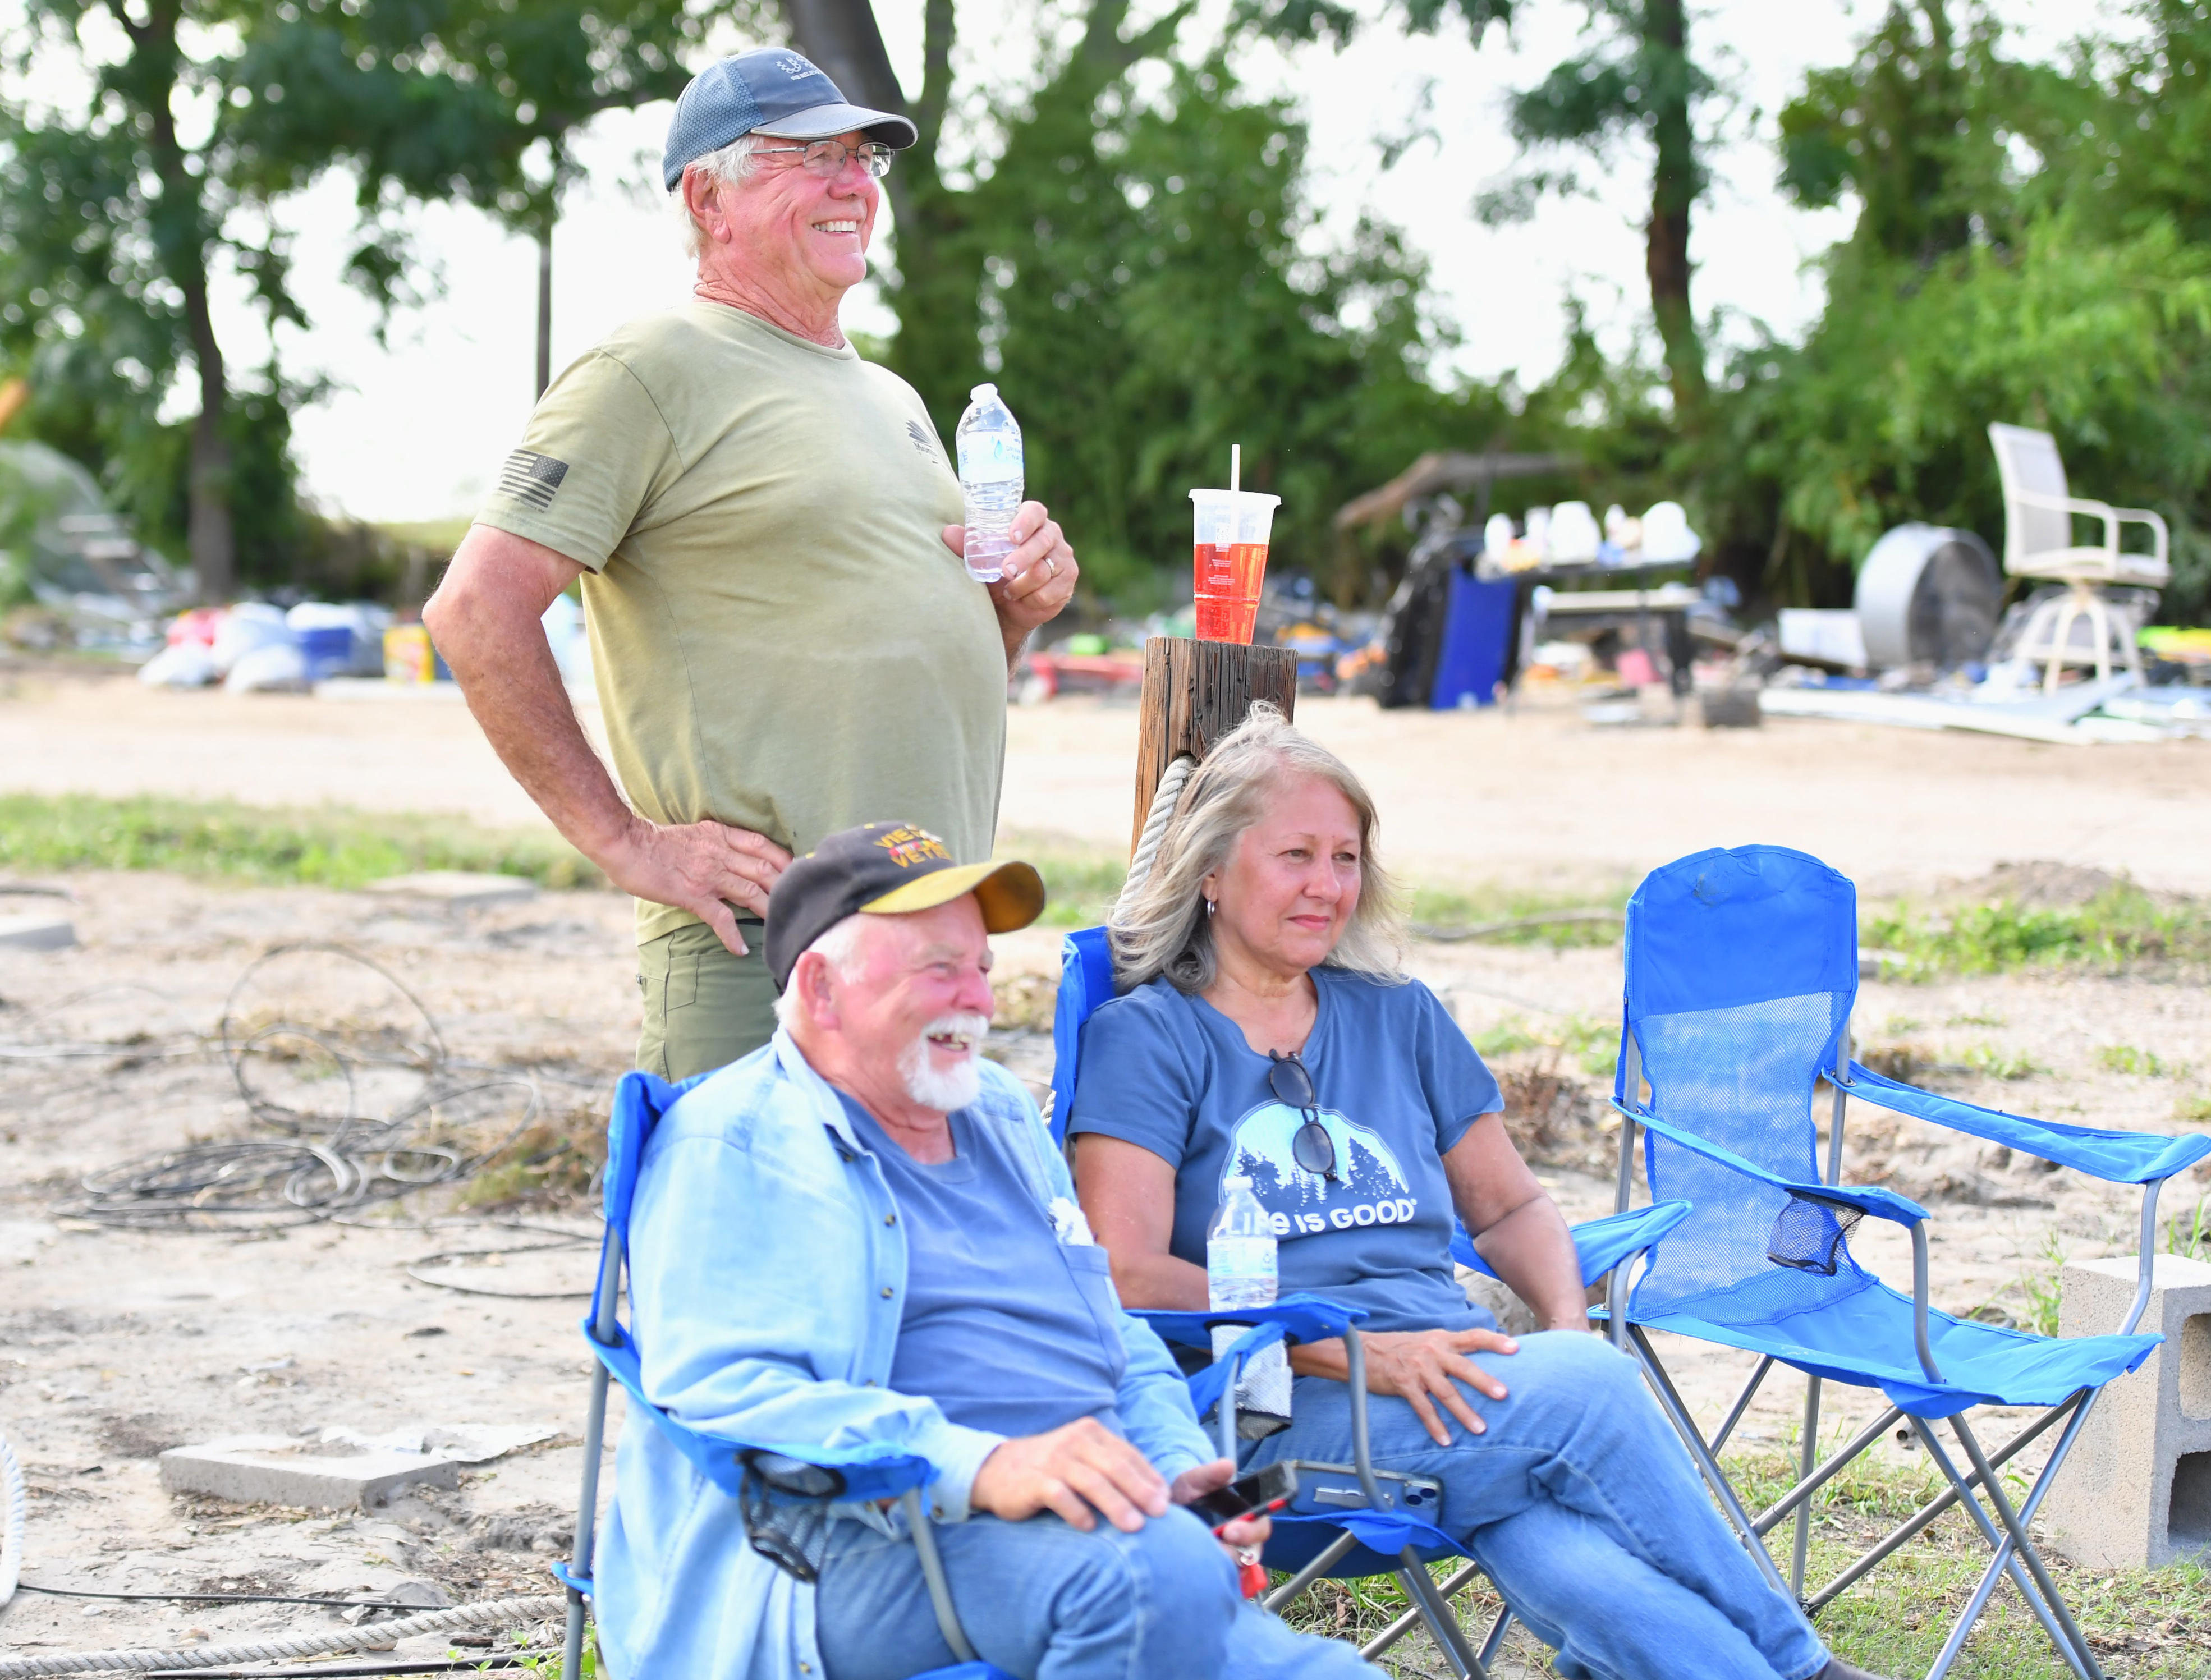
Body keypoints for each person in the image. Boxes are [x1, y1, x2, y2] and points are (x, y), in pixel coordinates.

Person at [1066, 706, 1888, 1680]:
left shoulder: (1399, 1016)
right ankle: (1805, 1665)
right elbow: (1125, 1272)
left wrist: (1564, 1321)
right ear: (1210, 870)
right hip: (1275, 1404)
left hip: (1453, 1383)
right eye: (1295, 855)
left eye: (1344, 856)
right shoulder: (1150, 1038)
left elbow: (1509, 1210)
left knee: (1563, 1541)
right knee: (1584, 1399)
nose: (1327, 885)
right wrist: (1363, 1351)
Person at [424, 48, 1079, 1082]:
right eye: (808, 160)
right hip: (762, 957)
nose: (852, 185)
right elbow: (473, 611)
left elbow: (923, 668)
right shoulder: (648, 369)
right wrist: (629, 843)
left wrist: (1014, 612)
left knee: (904, 1248)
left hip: (929, 937)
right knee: (753, 1244)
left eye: (862, 158)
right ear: (709, 197)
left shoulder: (897, 399)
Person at [595, 820, 1378, 1680]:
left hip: (1089, 1522)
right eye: (940, 970)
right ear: (821, 989)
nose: (977, 999)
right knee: (1150, 1580)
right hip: (853, 1544)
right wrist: (985, 1464)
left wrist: (1175, 1469)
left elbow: (1112, 1337)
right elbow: (726, 1392)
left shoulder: (998, 1110)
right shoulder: (736, 1143)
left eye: (982, 969)